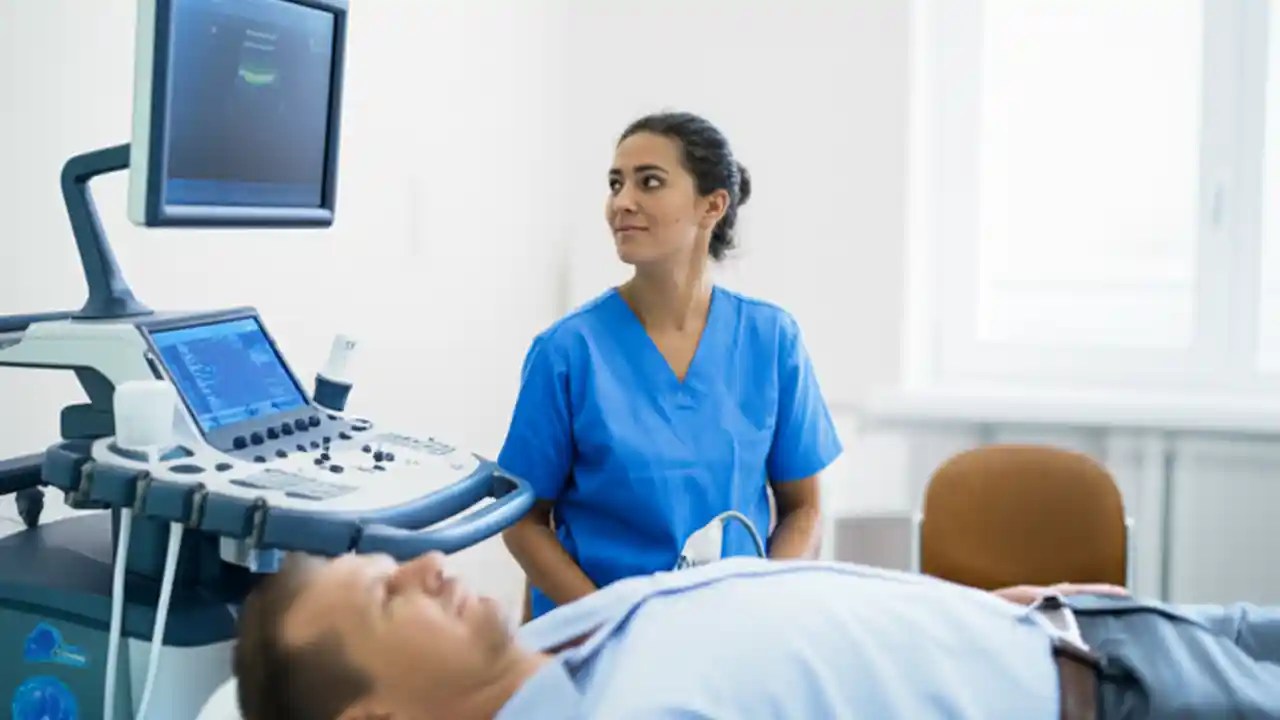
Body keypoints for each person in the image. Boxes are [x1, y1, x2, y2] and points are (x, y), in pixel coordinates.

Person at [497, 110, 844, 620]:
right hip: (600, 635)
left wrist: (764, 601)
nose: (622, 202)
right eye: (615, 184)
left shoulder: (771, 341)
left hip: (732, 628)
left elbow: (804, 508)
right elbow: (523, 522)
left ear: (713, 205)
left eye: (649, 182)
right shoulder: (568, 351)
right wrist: (609, 622)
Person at [232, 551, 1280, 720]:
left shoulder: (577, 644)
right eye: (387, 597)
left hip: (1093, 624)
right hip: (1131, 699)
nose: (429, 565)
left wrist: (984, 609)